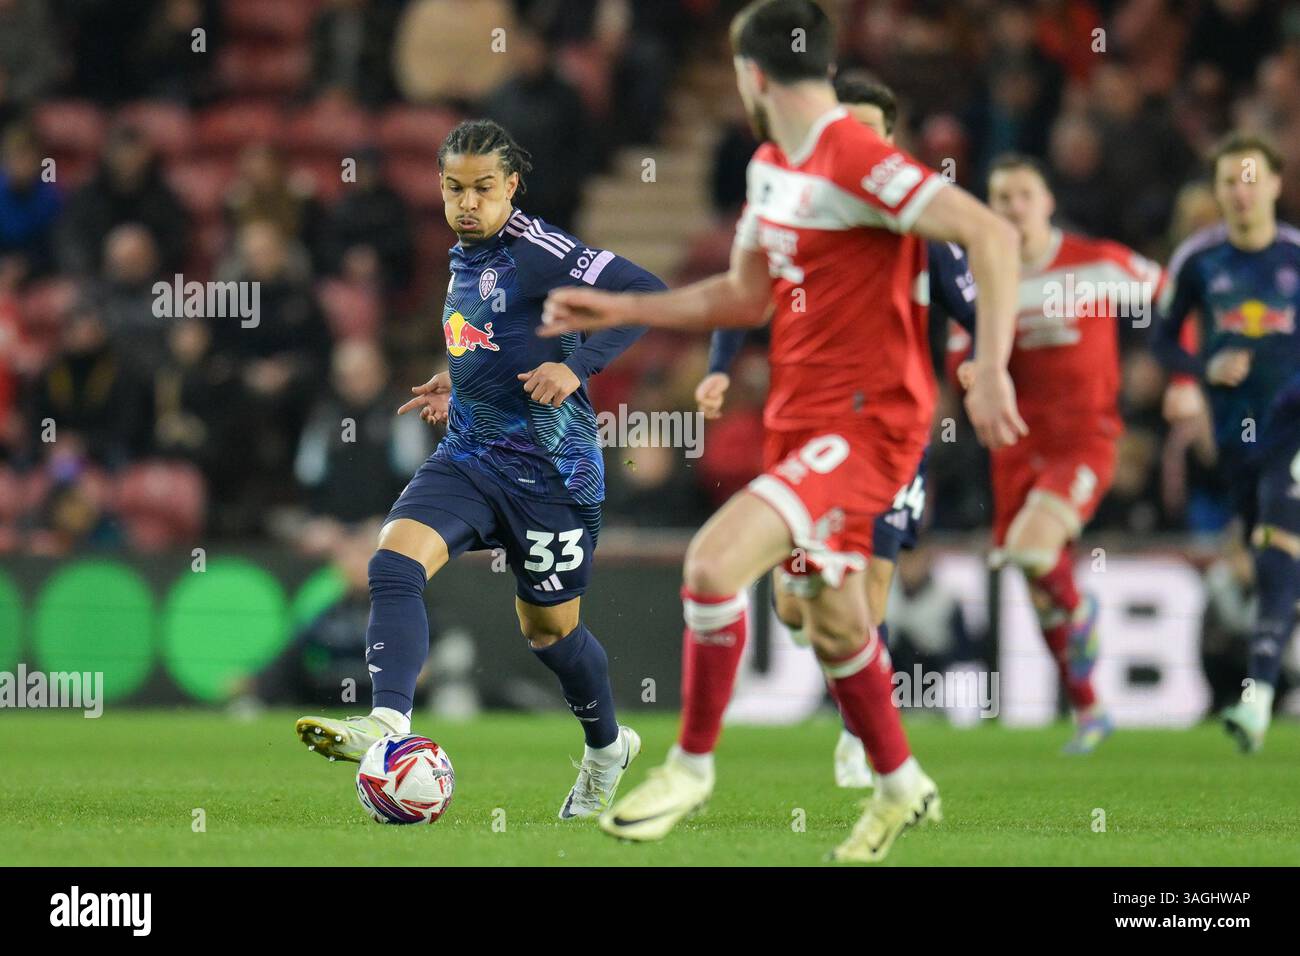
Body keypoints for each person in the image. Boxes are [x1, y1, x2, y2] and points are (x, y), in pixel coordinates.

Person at [540, 0, 1024, 862]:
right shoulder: (770, 166)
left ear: (751, 75)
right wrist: (626, 306)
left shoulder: (861, 159)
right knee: (832, 622)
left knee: (712, 564)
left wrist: (988, 368)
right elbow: (744, 296)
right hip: (797, 420)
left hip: (869, 425)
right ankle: (899, 784)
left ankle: (689, 767)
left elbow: (988, 234)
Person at [296, 119, 666, 820]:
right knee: (392, 563)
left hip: (554, 476)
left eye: (483, 189)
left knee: (550, 635)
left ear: (512, 187)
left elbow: (643, 293)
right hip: (469, 457)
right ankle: (389, 727)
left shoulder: (538, 250)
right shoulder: (464, 255)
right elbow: (497, 335)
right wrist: (458, 381)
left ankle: (607, 748)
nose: (467, 202)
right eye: (453, 188)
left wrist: (575, 364)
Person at [694, 71, 978, 790]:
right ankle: (825, 653)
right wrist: (722, 365)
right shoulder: (798, 211)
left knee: (869, 583)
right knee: (797, 601)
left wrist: (990, 363)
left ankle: (862, 737)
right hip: (810, 428)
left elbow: (977, 307)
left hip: (888, 434)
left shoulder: (922, 225)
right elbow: (744, 293)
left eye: (872, 132)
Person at [956, 153, 1162, 753]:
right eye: (1000, 198)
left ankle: (1084, 611)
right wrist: (970, 374)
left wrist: (1173, 375)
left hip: (1083, 442)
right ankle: (1089, 708)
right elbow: (959, 359)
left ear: (1047, 202)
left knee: (1031, 549)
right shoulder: (981, 281)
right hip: (1013, 451)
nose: (1013, 208)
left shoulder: (1097, 263)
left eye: (1023, 194)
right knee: (1037, 587)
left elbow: (1178, 296)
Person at [1153, 131, 1300, 754]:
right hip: (1235, 437)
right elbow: (1160, 341)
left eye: (1249, 178)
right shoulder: (1196, 261)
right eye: (1227, 182)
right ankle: (1264, 686)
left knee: (1276, 547)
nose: (1239, 192)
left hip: (1294, 423)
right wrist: (1197, 369)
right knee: (1267, 555)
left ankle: (1259, 695)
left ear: (1274, 184)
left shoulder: (1296, 254)